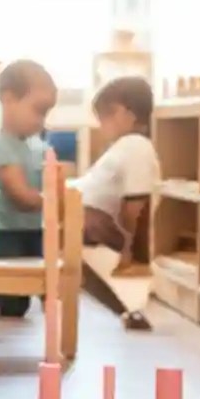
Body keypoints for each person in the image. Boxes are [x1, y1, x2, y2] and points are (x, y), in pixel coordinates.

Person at [73, 76, 160, 330]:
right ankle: (124, 311)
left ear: (126, 113)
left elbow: (136, 202)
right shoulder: (124, 146)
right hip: (78, 211)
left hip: (88, 219)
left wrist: (131, 253)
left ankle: (123, 311)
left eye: (106, 115)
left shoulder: (136, 146)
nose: (102, 124)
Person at [0, 59, 57, 317]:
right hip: (3, 234)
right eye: (38, 111)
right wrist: (56, 201)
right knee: (12, 302)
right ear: (8, 99)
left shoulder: (34, 144)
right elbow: (21, 196)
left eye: (46, 113)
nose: (41, 121)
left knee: (50, 281)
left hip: (33, 230)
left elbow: (52, 176)